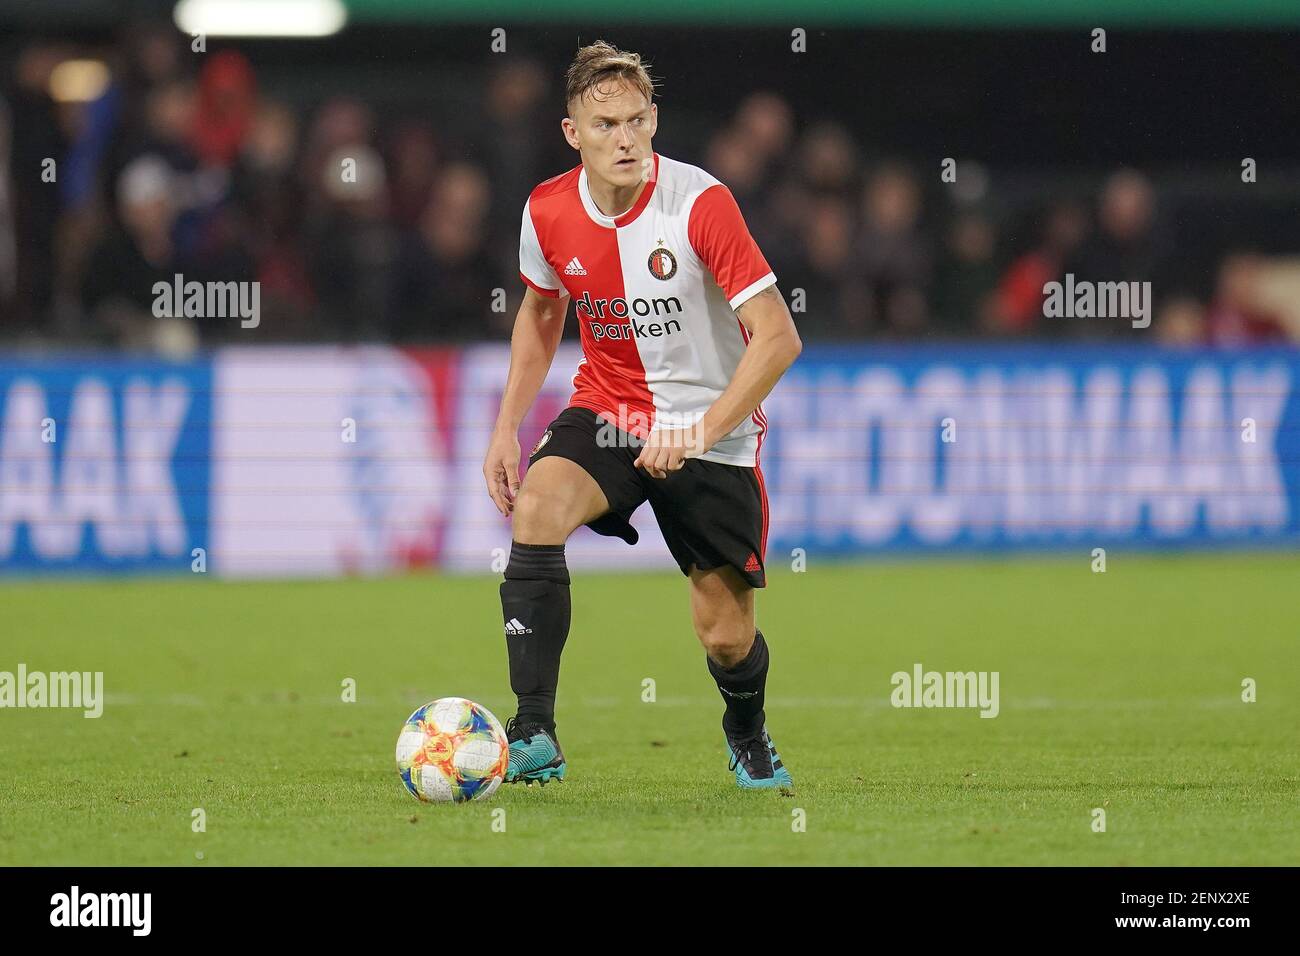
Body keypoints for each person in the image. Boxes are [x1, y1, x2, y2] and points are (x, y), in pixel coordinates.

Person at [481, 41, 802, 790]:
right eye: (604, 126)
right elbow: (539, 312)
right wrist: (506, 426)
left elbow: (779, 337)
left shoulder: (700, 204)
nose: (623, 139)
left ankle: (746, 729)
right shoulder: (547, 209)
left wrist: (702, 428)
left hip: (709, 431)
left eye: (635, 121)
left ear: (654, 120)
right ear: (572, 133)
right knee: (536, 509)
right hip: (609, 409)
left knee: (725, 636)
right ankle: (533, 733)